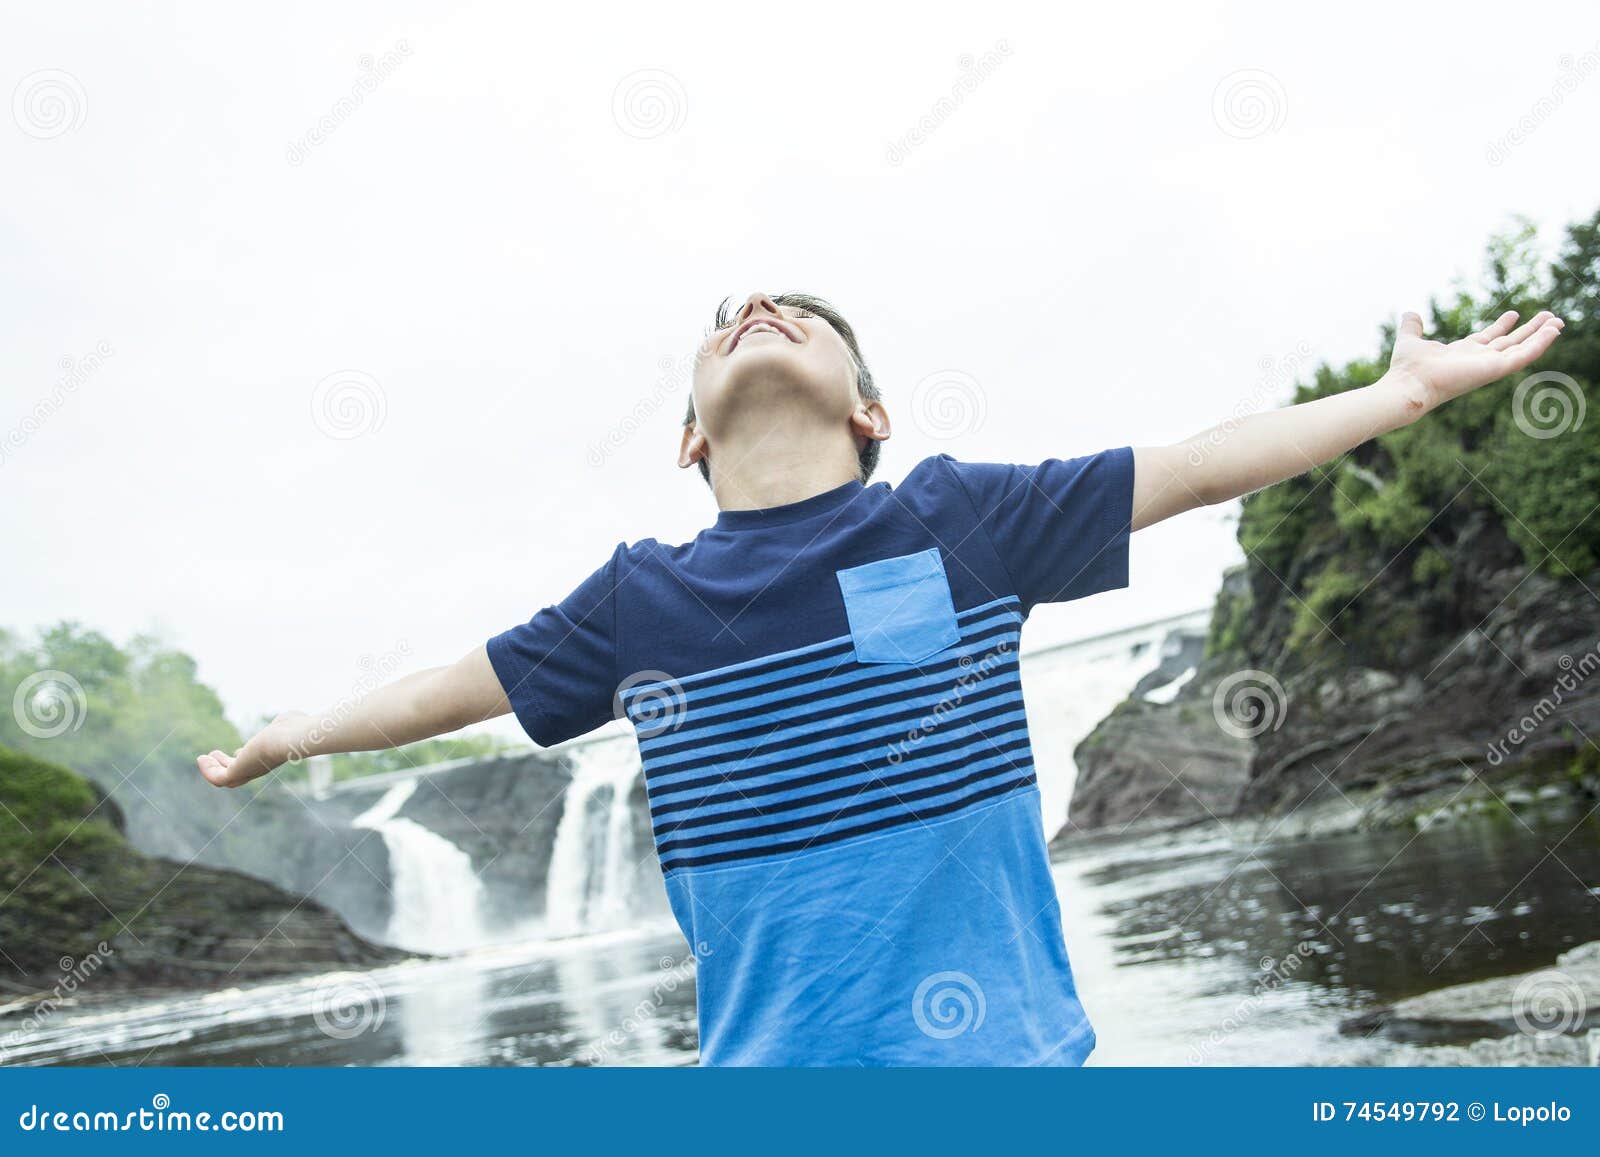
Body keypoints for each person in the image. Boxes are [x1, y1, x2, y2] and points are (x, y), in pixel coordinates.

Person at [197, 291, 1565, 1065]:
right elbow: (455, 686)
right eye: (729, 318)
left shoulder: (957, 519)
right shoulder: (639, 602)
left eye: (801, 313)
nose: (757, 310)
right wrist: (291, 734)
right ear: (687, 439)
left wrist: (1405, 395)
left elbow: (1200, 463)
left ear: (871, 411)